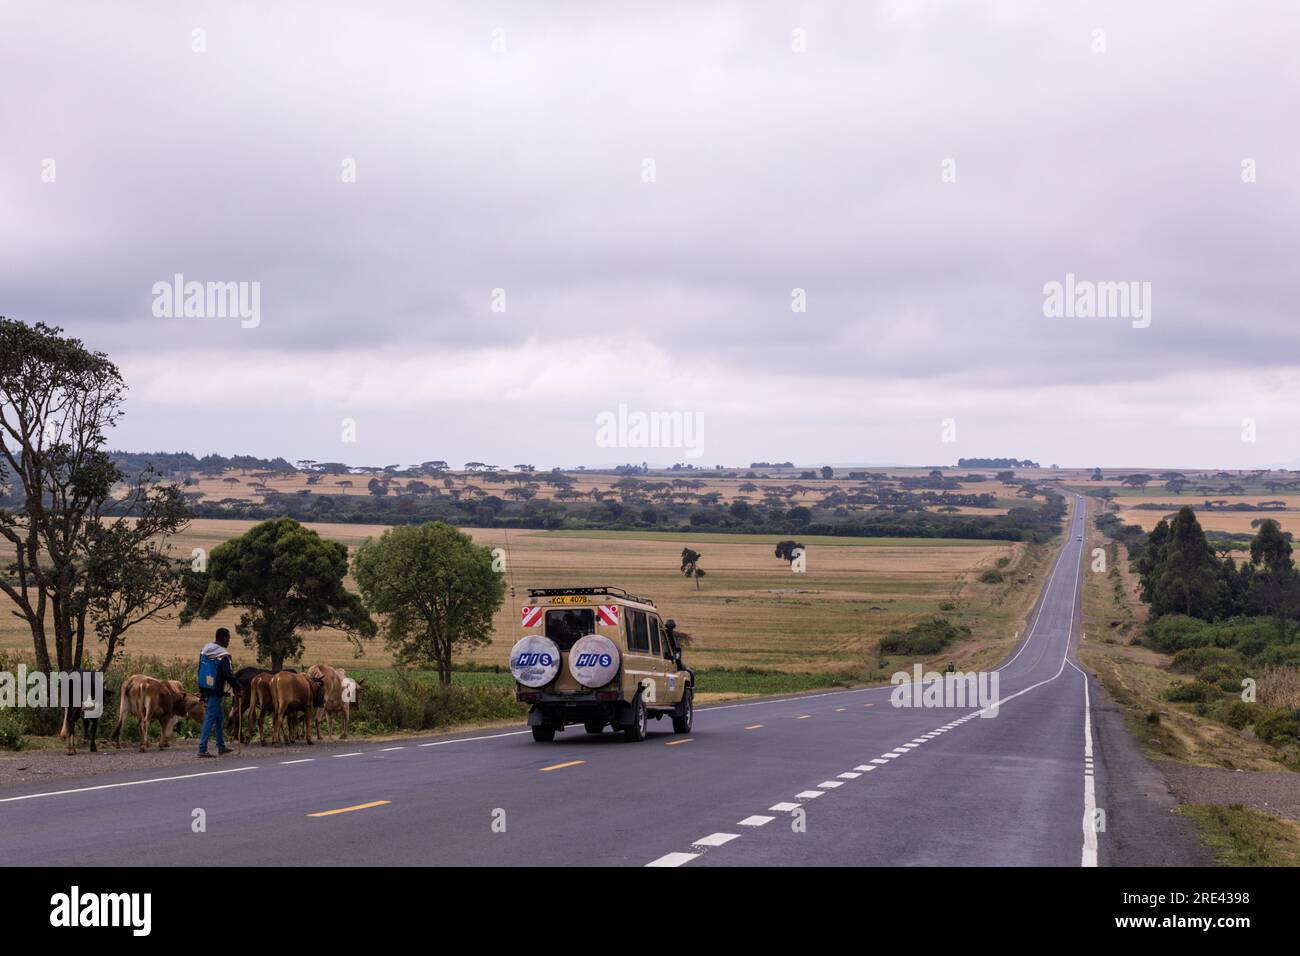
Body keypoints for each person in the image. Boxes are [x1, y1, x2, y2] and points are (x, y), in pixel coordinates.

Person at [197, 627, 241, 757]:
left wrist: (202, 690)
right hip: (217, 689)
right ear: (223, 639)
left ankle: (221, 746)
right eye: (228, 639)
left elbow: (200, 670)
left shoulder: (204, 650)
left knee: (219, 716)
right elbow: (229, 675)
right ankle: (202, 748)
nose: (229, 642)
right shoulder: (223, 656)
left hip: (206, 687)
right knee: (210, 717)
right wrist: (239, 688)